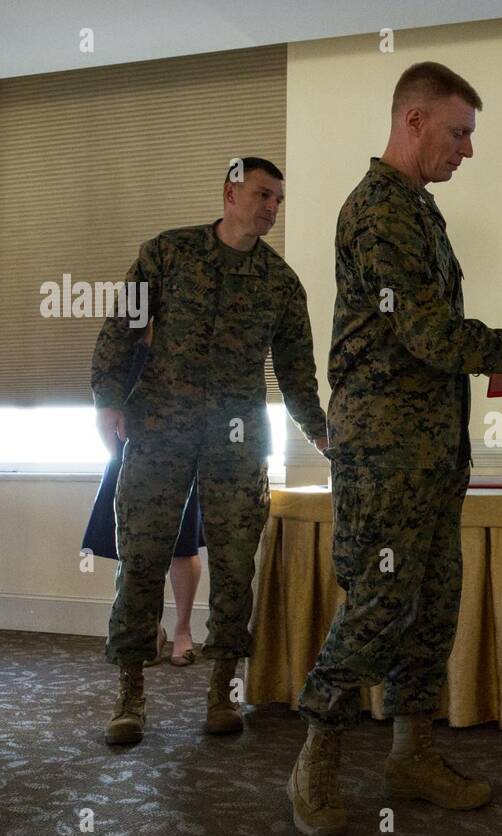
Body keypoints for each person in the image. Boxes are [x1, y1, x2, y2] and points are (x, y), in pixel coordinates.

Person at [285, 62, 502, 836]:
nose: (468, 151)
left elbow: (427, 336)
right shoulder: (381, 210)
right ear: (413, 121)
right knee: (380, 604)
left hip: (430, 451)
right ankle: (316, 752)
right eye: (459, 133)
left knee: (432, 604)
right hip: (385, 452)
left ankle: (411, 754)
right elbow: (428, 335)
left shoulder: (416, 209)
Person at [92, 157, 329, 745]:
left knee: (233, 567)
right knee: (141, 559)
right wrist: (106, 400)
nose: (272, 208)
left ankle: (223, 689)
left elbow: (298, 374)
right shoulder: (167, 255)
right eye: (262, 195)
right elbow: (121, 329)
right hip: (160, 430)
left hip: (237, 442)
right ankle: (129, 695)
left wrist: (321, 433)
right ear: (230, 193)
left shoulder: (280, 282)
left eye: (278, 200)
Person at [82, 319, 202, 668]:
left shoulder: (191, 337)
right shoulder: (125, 339)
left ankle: (182, 632)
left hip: (182, 451)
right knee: (132, 550)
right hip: (131, 451)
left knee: (183, 546)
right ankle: (146, 631)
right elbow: (109, 391)